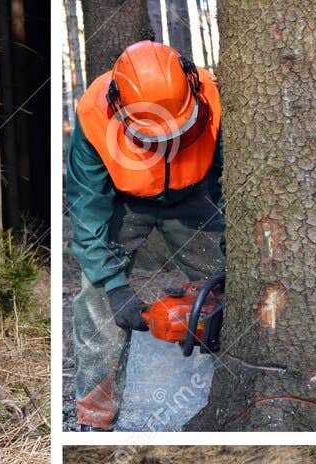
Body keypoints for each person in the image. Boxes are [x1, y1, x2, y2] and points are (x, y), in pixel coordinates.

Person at [66, 40, 224, 429]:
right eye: (153, 137)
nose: (166, 143)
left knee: (228, 279)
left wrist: (231, 238)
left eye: (178, 130)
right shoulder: (93, 118)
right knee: (96, 301)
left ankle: (238, 388)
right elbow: (87, 212)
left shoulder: (212, 98)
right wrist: (114, 285)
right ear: (120, 109)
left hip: (191, 196)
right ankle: (95, 416)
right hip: (127, 202)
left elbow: (225, 181)